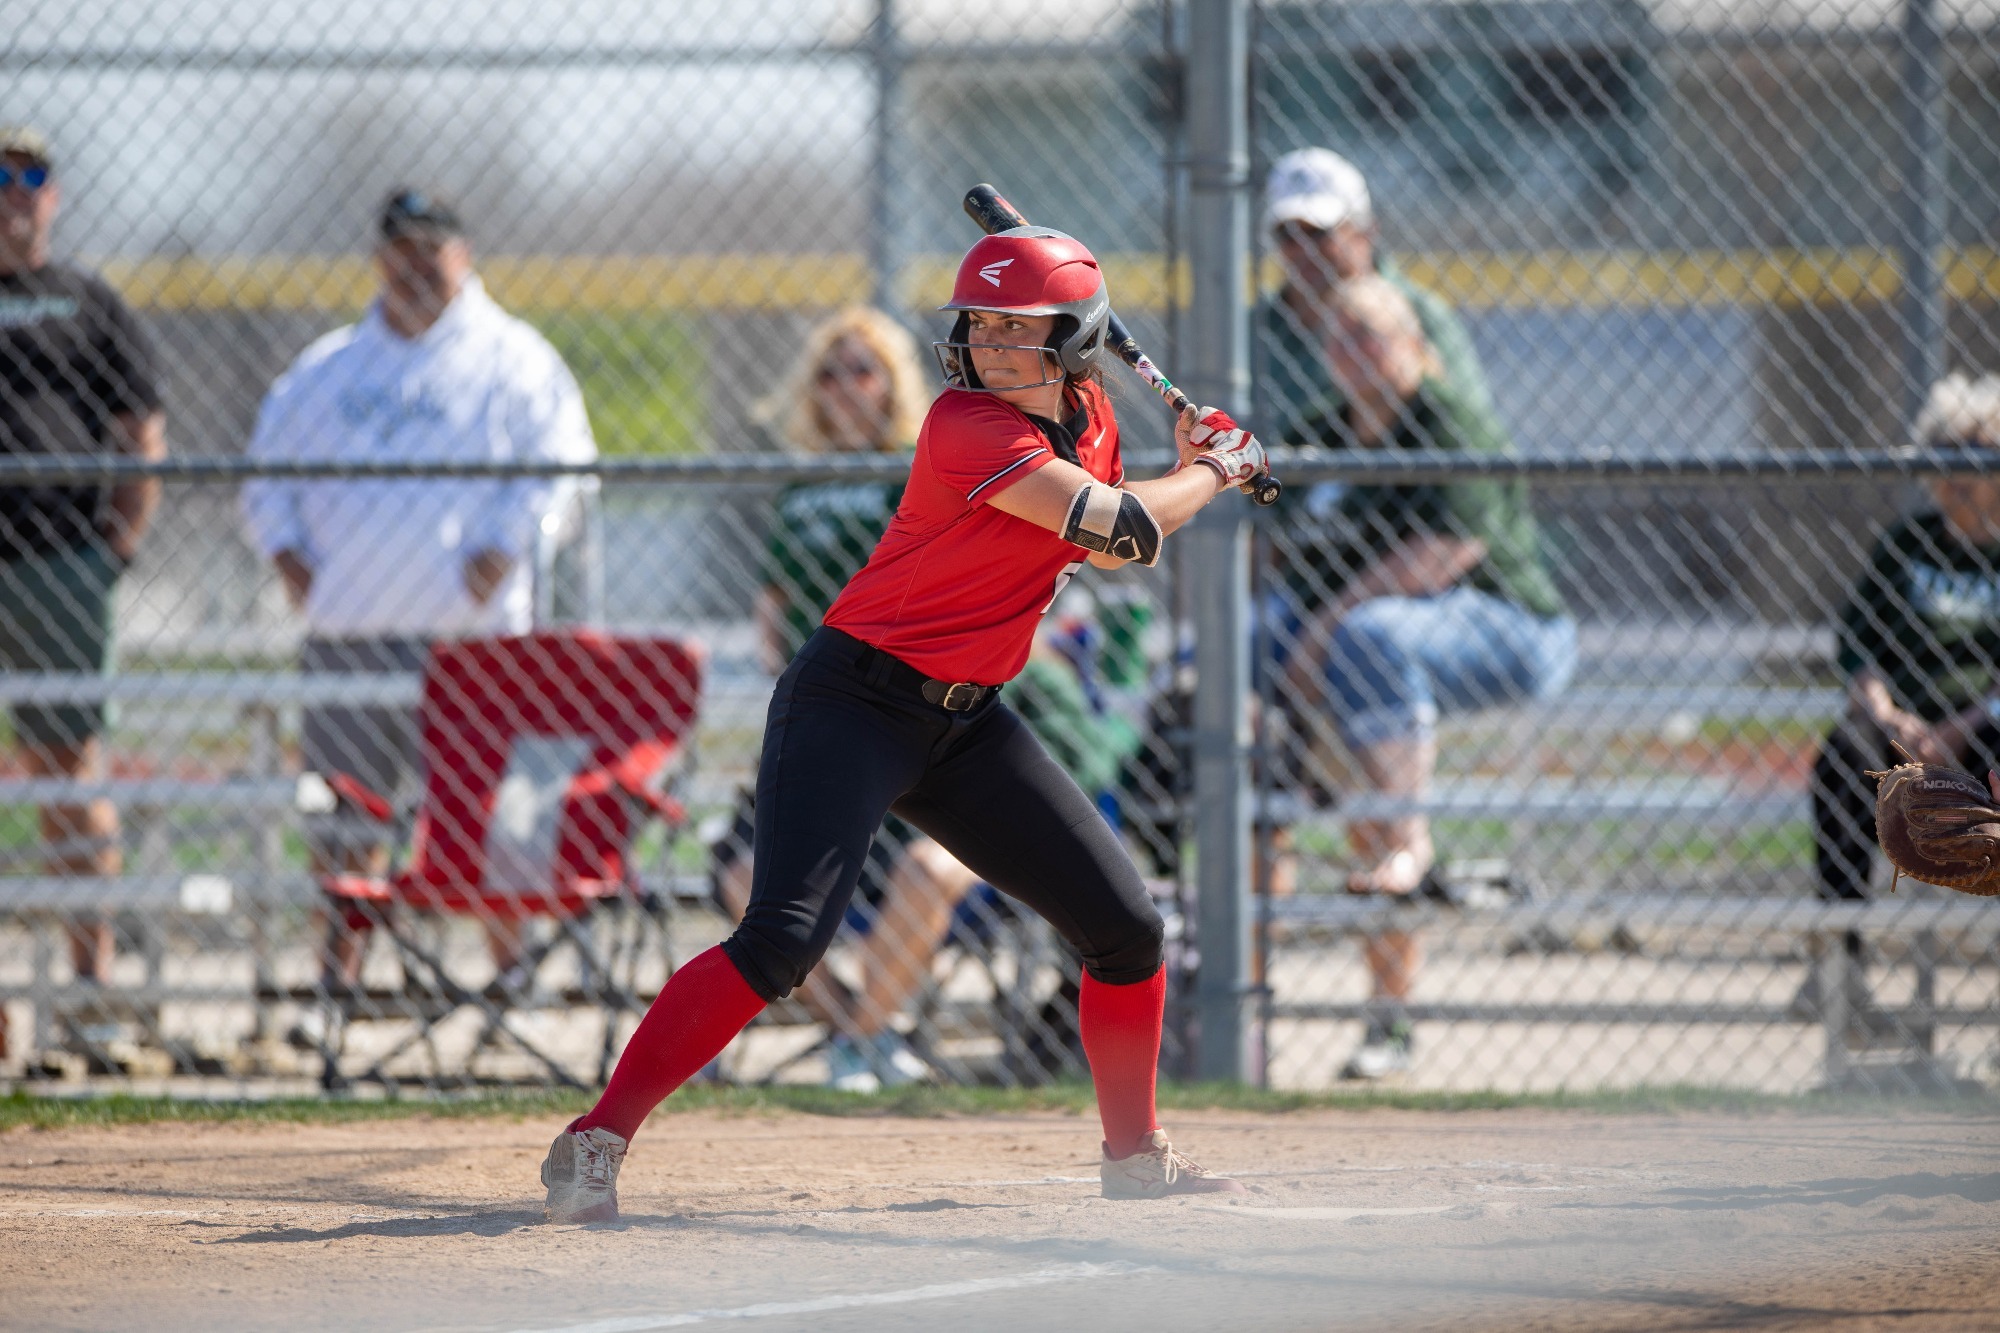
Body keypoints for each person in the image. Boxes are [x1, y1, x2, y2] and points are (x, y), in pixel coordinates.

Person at [539, 225, 1265, 1222]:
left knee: (1124, 927)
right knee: (781, 941)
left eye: (1019, 332)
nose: (989, 347)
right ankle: (597, 1137)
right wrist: (1218, 472)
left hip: (965, 723)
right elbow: (1120, 530)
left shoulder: (1089, 415)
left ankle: (1135, 1154)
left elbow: (1098, 541)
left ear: (1073, 344)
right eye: (979, 326)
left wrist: (1182, 464)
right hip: (854, 702)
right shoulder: (966, 426)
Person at [241, 188, 596, 1002]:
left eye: (433, 249)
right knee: (345, 814)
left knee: (499, 814)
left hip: (477, 643)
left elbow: (566, 467)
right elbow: (265, 479)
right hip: (350, 629)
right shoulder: (329, 368)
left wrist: (508, 542)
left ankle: (514, 977)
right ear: (378, 258)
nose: (416, 266)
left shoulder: (515, 358)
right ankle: (341, 979)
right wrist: (289, 554)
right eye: (401, 249)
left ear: (463, 257)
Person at [1272, 275, 1573, 1081]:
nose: (1351, 350)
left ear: (1414, 344)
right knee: (1260, 680)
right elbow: (1276, 558)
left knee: (1372, 639)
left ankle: (1409, 837)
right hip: (1358, 666)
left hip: (1505, 630)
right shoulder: (1321, 436)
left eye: (1371, 332)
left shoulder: (1447, 420)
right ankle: (1246, 1020)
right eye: (1338, 334)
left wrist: (1321, 631)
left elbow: (1445, 555)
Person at [712, 306, 959, 1090]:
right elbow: (774, 606)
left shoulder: (918, 473)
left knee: (925, 864)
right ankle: (859, 1030)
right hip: (819, 713)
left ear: (893, 384)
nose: (846, 386)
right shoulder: (796, 487)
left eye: (864, 369)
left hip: (898, 714)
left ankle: (862, 1036)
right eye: (830, 371)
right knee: (738, 875)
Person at [0, 125, 166, 1008]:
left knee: (68, 767)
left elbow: (141, 428)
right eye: (1, 175)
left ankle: (92, 981)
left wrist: (117, 545)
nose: (15, 191)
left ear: (52, 196)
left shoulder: (85, 302)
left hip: (60, 560)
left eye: (31, 176)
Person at [1808, 373, 2000, 1030]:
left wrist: (1964, 723)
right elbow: (1858, 642)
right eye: (1948, 461)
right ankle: (1842, 970)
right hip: (1903, 724)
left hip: (1982, 728)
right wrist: (1888, 714)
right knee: (1841, 758)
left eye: (1976, 462)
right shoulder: (1905, 546)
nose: (1960, 479)